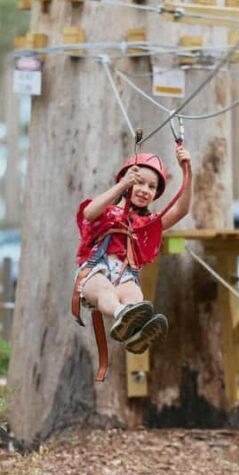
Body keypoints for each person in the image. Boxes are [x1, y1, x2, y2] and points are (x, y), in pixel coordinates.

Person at [73, 145, 191, 354]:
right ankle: (121, 314)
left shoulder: (147, 223)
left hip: (124, 274)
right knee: (106, 292)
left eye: (151, 187)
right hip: (95, 271)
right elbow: (89, 213)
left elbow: (181, 210)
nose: (145, 190)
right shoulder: (107, 210)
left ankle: (135, 333)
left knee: (136, 297)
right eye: (140, 183)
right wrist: (123, 185)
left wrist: (187, 171)